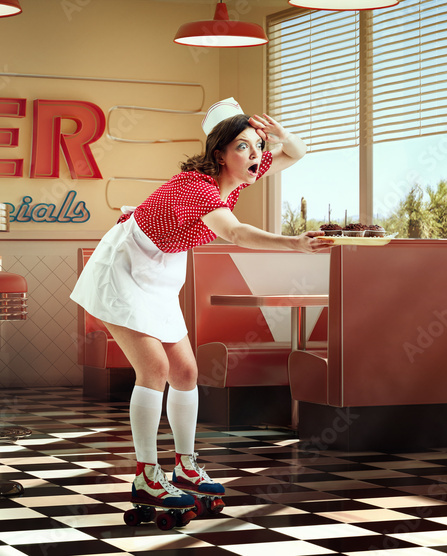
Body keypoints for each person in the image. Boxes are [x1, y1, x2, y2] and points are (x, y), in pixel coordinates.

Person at [70, 97, 330, 510]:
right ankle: (146, 476)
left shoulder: (236, 178)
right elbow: (238, 234)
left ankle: (185, 465)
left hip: (159, 271)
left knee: (186, 371)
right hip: (121, 269)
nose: (255, 155)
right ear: (219, 153)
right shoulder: (197, 188)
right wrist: (293, 245)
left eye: (258, 146)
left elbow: (296, 152)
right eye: (243, 146)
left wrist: (278, 135)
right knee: (153, 368)